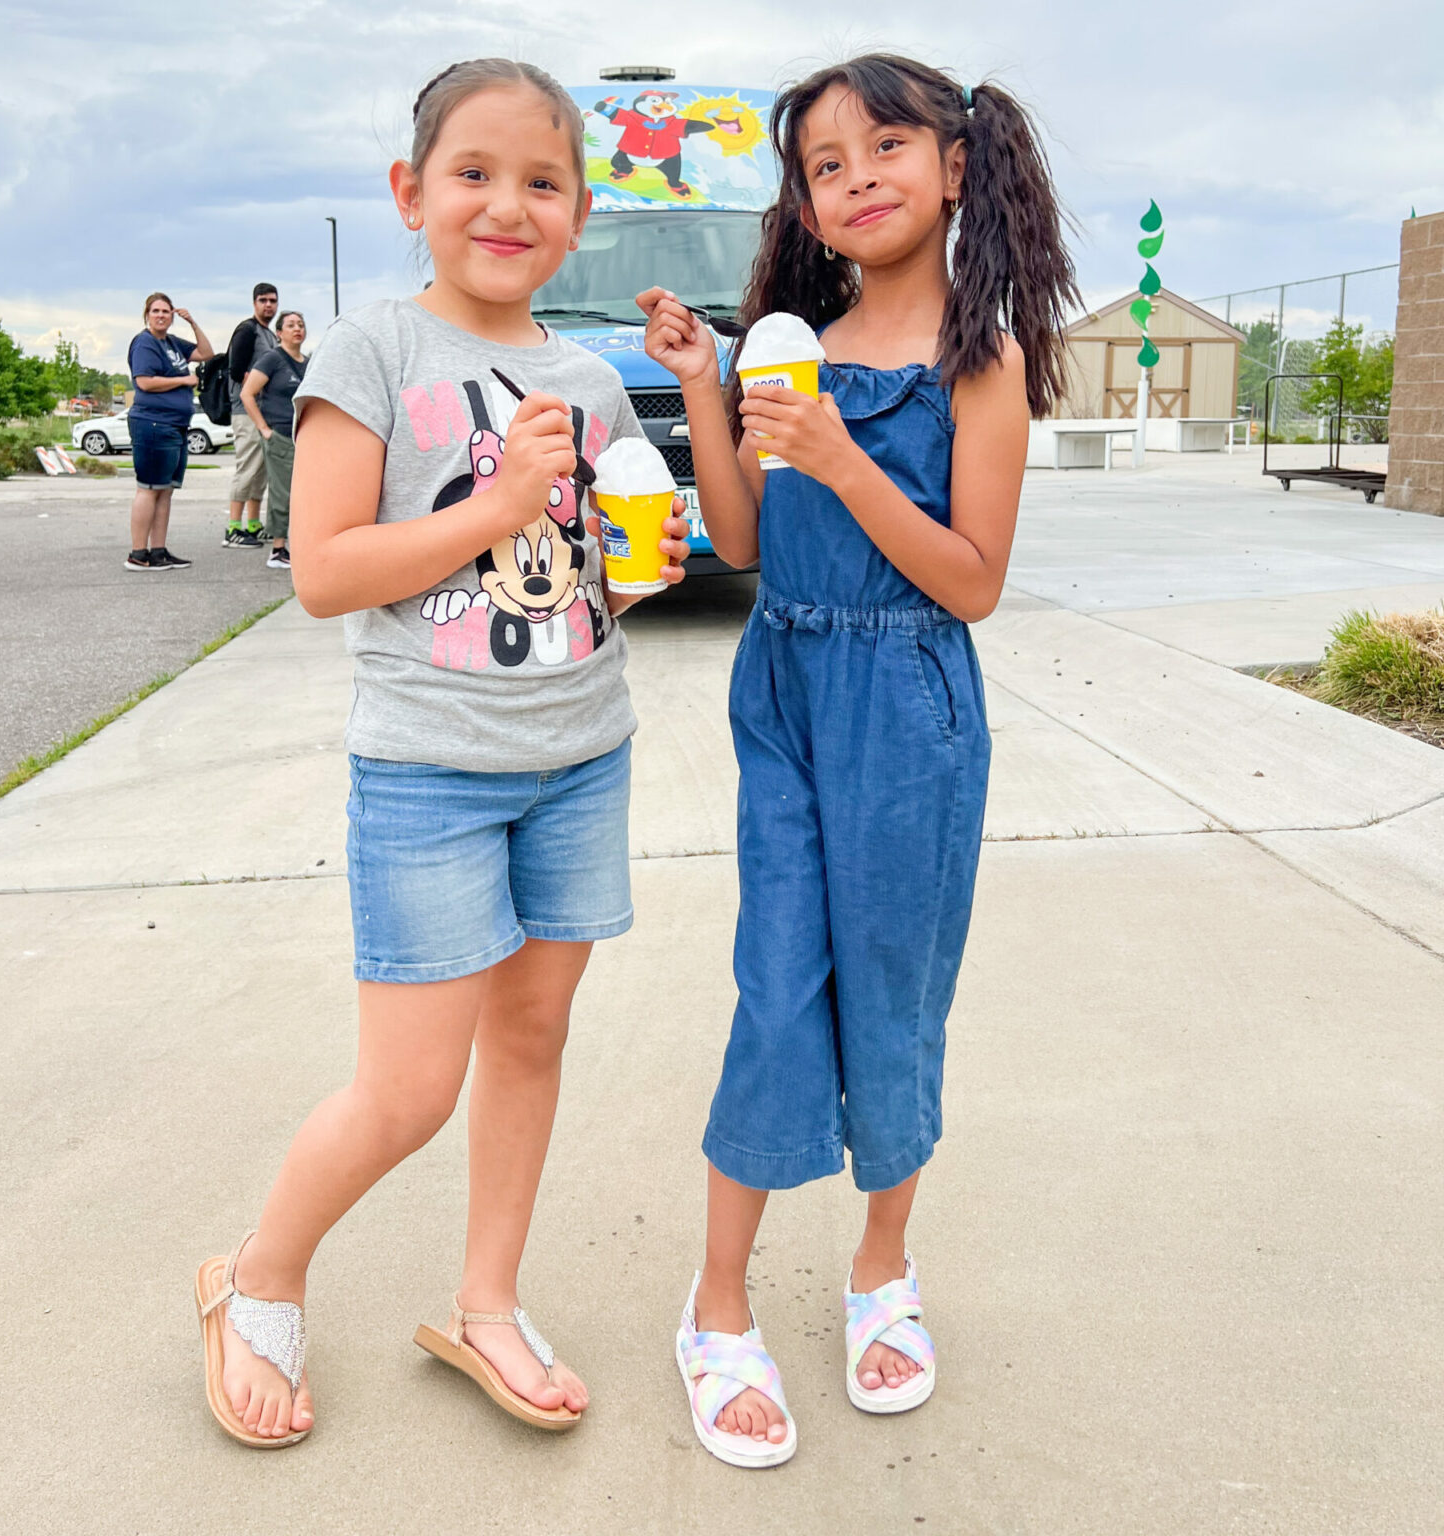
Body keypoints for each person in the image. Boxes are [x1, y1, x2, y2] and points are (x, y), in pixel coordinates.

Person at [194, 58, 691, 1448]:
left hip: (581, 752)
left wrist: (617, 558)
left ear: (579, 215)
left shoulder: (589, 375)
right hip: (429, 773)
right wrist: (504, 498)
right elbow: (326, 569)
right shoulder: (373, 352)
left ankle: (487, 1302)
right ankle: (255, 1278)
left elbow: (586, 556)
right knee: (410, 1089)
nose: (506, 204)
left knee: (533, 1040)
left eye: (543, 183)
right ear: (411, 192)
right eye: (474, 173)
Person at [640, 53, 1076, 1467]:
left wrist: (838, 454)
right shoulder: (788, 345)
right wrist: (711, 388)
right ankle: (717, 1306)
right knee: (778, 990)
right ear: (809, 209)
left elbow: (972, 583)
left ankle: (882, 1270)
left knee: (892, 995)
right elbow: (748, 543)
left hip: (909, 697)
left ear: (957, 165)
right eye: (827, 165)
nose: (858, 176)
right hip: (786, 685)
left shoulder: (983, 361)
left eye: (886, 145)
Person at [125, 293, 213, 571]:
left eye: (166, 311)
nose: (161, 315)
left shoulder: (172, 343)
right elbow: (145, 382)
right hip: (153, 424)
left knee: (165, 491)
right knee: (149, 489)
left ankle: (159, 551)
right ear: (147, 314)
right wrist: (184, 379)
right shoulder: (145, 343)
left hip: (175, 425)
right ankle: (139, 554)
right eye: (156, 311)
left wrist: (192, 323)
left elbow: (206, 354)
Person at [239, 310, 306, 570]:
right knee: (283, 492)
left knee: (304, 494)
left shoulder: (308, 362)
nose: (297, 328)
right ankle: (278, 549)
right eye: (290, 325)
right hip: (280, 435)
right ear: (279, 333)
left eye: (300, 324)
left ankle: (299, 544)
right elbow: (247, 394)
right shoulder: (272, 359)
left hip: (303, 437)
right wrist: (264, 429)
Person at [224, 282, 280, 547]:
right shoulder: (247, 331)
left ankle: (254, 524)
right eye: (263, 300)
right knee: (247, 468)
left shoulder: (268, 334)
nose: (268, 305)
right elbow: (236, 370)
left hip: (264, 411)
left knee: (260, 471)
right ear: (254, 303)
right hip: (244, 410)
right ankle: (233, 528)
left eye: (272, 301)